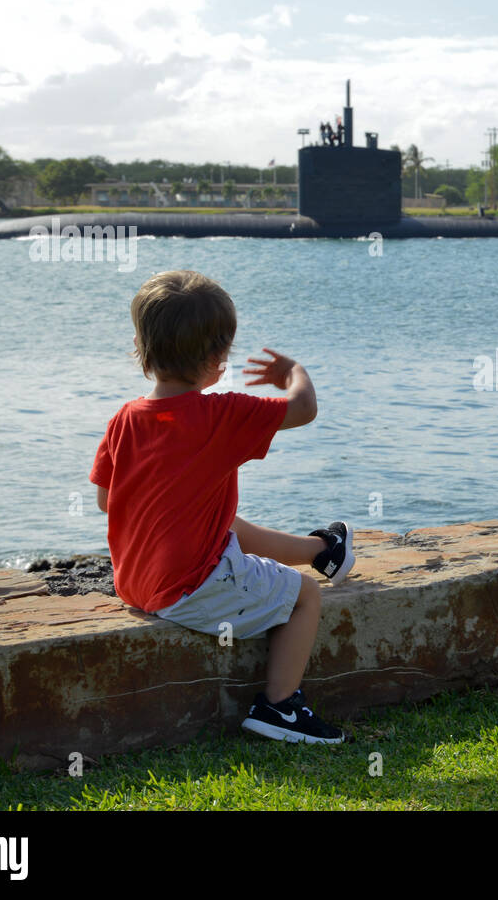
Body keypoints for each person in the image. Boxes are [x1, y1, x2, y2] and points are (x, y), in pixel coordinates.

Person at [90, 269, 353, 744]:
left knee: (220, 521)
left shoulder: (123, 419)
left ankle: (322, 551)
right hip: (191, 588)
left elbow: (108, 501)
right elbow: (304, 408)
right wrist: (292, 372)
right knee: (305, 598)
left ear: (141, 347)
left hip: (134, 584)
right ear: (217, 359)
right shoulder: (223, 414)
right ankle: (280, 708)